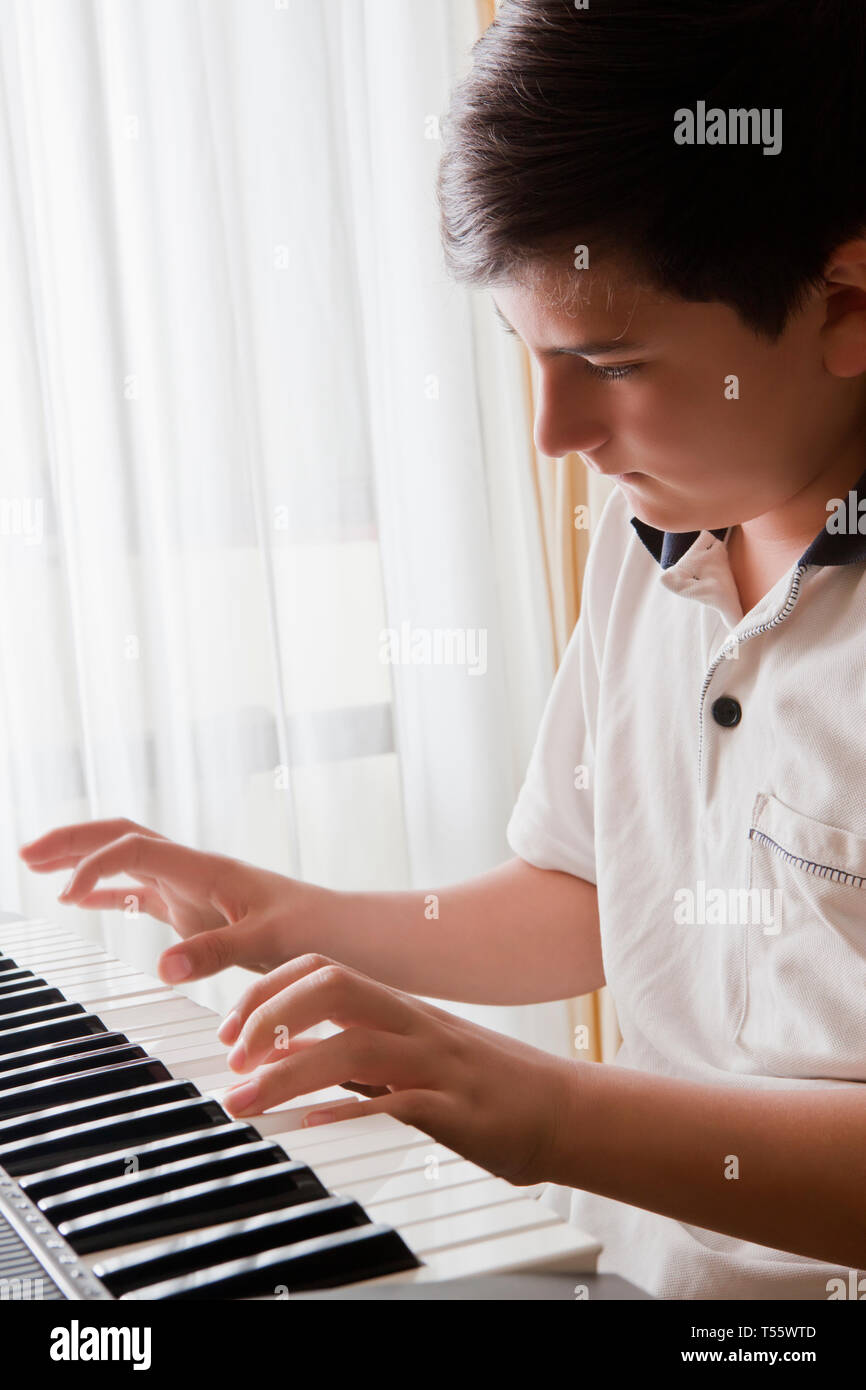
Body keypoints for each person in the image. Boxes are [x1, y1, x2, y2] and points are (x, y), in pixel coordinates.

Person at [19, 0, 866, 1299]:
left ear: (846, 299)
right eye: (523, 350)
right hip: (630, 1274)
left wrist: (538, 1107)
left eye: (608, 358)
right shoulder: (651, 528)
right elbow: (590, 895)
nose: (551, 430)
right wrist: (273, 911)